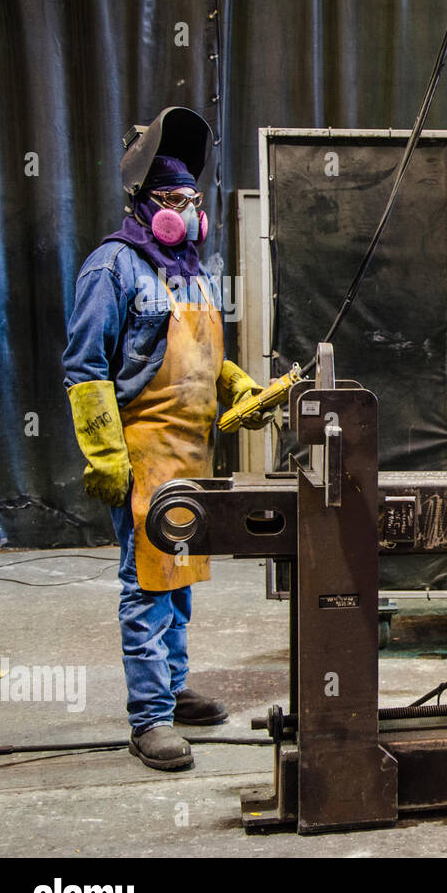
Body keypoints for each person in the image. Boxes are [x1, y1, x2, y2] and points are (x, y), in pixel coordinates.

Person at [63, 107, 273, 771]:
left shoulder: (190, 270)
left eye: (192, 199)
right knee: (148, 584)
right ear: (146, 204)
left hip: (190, 458)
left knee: (179, 578)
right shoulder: (113, 267)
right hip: (145, 455)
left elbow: (204, 355)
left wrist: (239, 387)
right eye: (174, 200)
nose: (188, 211)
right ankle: (147, 718)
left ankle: (171, 686)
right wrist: (104, 454)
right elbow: (85, 367)